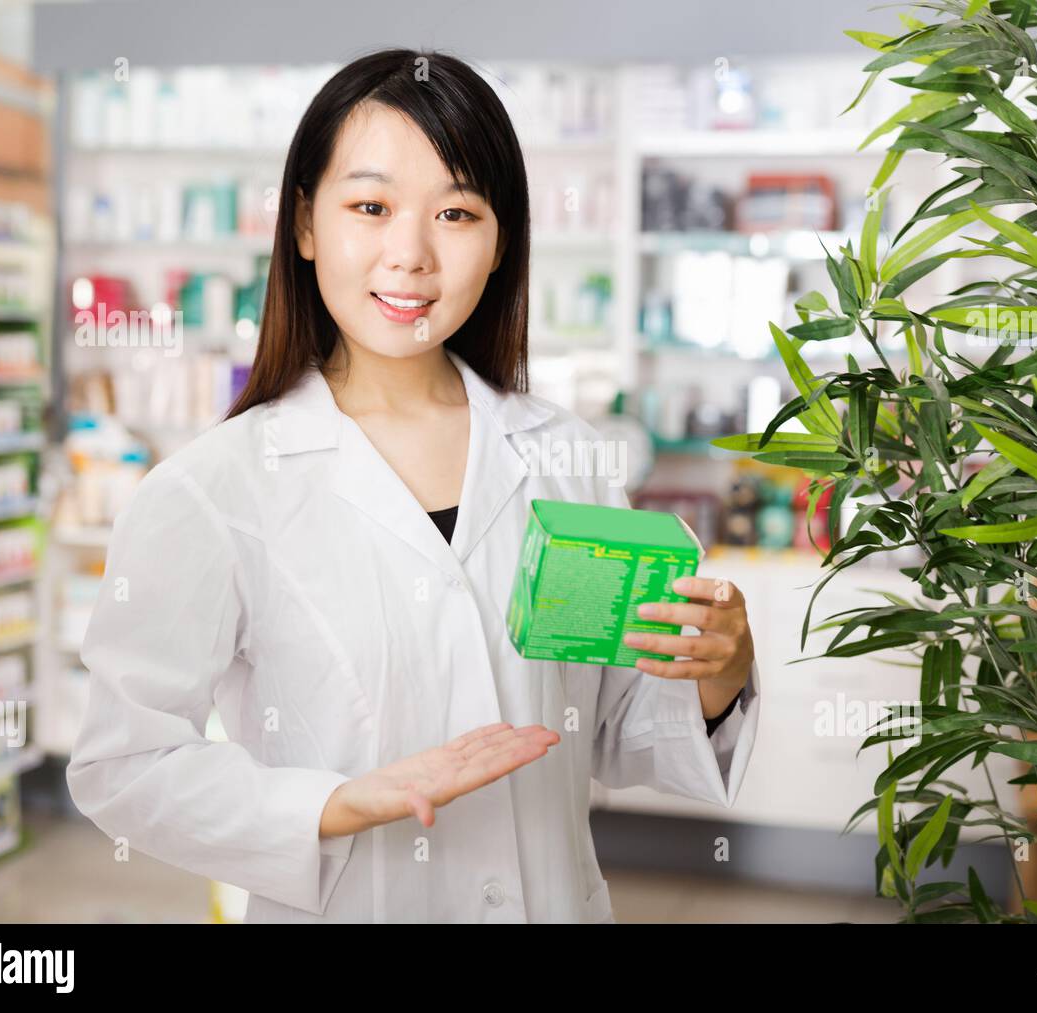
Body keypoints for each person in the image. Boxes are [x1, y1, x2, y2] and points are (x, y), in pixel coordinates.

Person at [66, 48, 760, 923]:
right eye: (370, 206)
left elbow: (616, 727)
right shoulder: (215, 490)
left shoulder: (566, 460)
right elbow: (123, 764)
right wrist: (337, 804)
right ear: (307, 224)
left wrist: (717, 673)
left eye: (457, 212)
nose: (412, 254)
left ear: (501, 239)